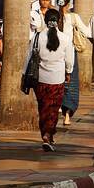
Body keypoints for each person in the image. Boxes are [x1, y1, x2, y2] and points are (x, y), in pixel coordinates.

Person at [30, 8, 75, 151]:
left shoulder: (37, 37)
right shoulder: (66, 38)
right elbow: (69, 60)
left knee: (43, 107)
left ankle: (45, 134)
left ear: (45, 20)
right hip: (58, 78)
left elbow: (28, 58)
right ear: (59, 21)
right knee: (53, 109)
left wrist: (24, 75)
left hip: (41, 79)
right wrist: (69, 72)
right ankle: (49, 134)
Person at [56, 0, 87, 125]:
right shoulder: (74, 17)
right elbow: (86, 31)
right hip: (70, 54)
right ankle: (67, 115)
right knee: (71, 85)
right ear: (68, 4)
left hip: (54, 54)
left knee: (56, 83)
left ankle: (56, 107)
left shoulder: (53, 16)